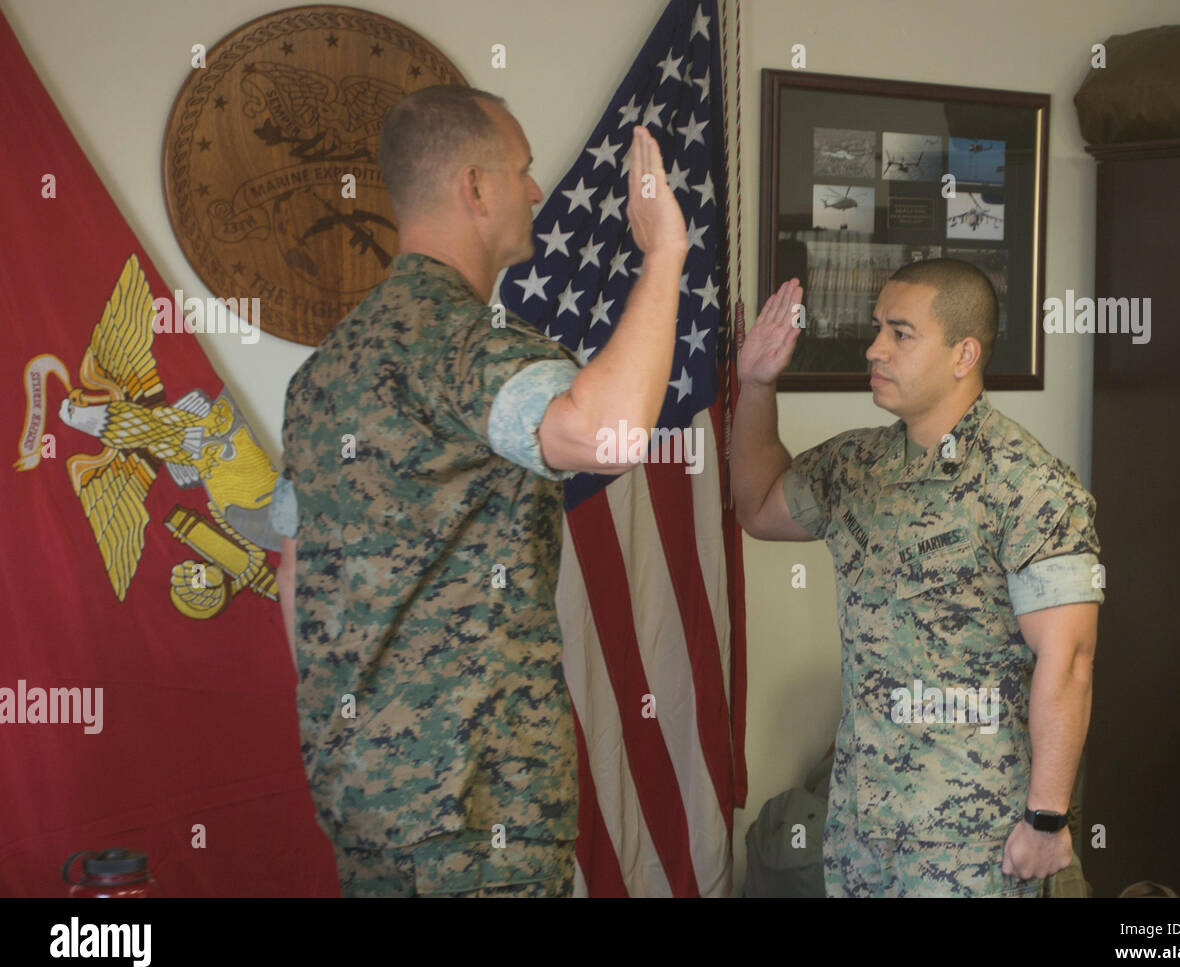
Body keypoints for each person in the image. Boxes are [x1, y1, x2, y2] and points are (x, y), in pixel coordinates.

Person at [269, 85, 687, 897]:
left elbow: (293, 574)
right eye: (523, 170)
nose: (535, 190)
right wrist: (665, 254)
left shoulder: (322, 374)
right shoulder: (463, 342)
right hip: (473, 810)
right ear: (475, 188)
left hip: (364, 799)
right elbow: (610, 435)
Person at [731, 259, 1102, 897]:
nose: (874, 348)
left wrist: (1046, 821)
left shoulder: (1030, 486)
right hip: (860, 830)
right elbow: (759, 507)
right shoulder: (858, 464)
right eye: (878, 328)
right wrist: (757, 386)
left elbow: (1067, 660)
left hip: (973, 841)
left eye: (900, 334)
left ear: (964, 354)